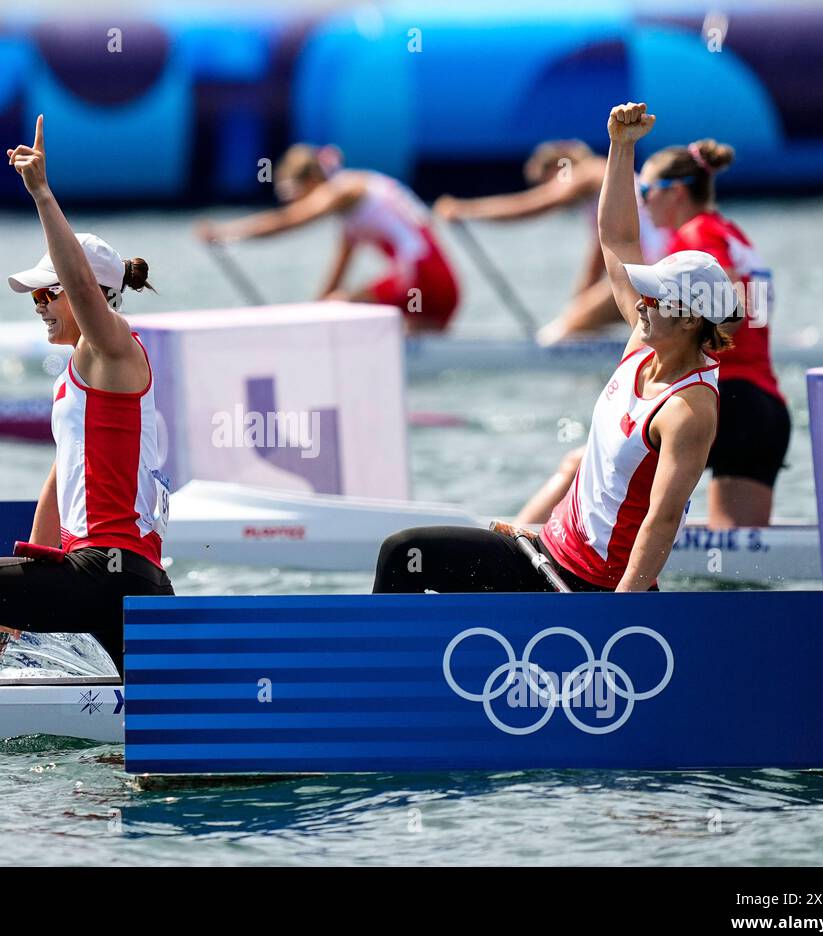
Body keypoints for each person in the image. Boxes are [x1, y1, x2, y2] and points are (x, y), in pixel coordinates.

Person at [374, 102, 736, 594]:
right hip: (546, 553)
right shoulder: (644, 337)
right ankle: (399, 666)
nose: (641, 302)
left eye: (656, 296)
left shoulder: (689, 409)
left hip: (592, 587)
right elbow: (617, 238)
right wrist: (621, 147)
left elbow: (664, 518)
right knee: (405, 553)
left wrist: (620, 616)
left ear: (691, 317)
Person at [0, 115, 173, 684]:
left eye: (50, 292)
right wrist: (16, 597)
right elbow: (59, 486)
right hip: (128, 580)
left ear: (94, 296)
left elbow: (82, 285)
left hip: (105, 574)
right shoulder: (81, 381)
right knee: (152, 743)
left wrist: (42, 194)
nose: (40, 303)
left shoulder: (115, 349)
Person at [515, 135, 786, 528]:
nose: (642, 201)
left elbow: (729, 302)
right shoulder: (733, 232)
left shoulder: (695, 237)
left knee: (580, 465)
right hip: (765, 410)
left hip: (716, 398)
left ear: (674, 193)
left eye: (645, 191)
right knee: (737, 563)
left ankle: (516, 543)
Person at [197, 144, 460, 331]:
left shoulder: (345, 189)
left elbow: (286, 221)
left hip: (422, 280)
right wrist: (314, 314)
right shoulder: (353, 212)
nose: (294, 202)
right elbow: (339, 269)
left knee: (341, 306)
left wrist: (224, 233)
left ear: (313, 179)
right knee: (335, 306)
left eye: (294, 194)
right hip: (439, 286)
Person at [435, 140, 669, 344]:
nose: (549, 189)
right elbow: (597, 261)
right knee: (577, 321)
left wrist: (464, 210)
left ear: (559, 166)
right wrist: (577, 309)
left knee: (561, 334)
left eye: (545, 182)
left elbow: (528, 207)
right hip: (656, 271)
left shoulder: (590, 172)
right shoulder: (606, 201)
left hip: (647, 270)